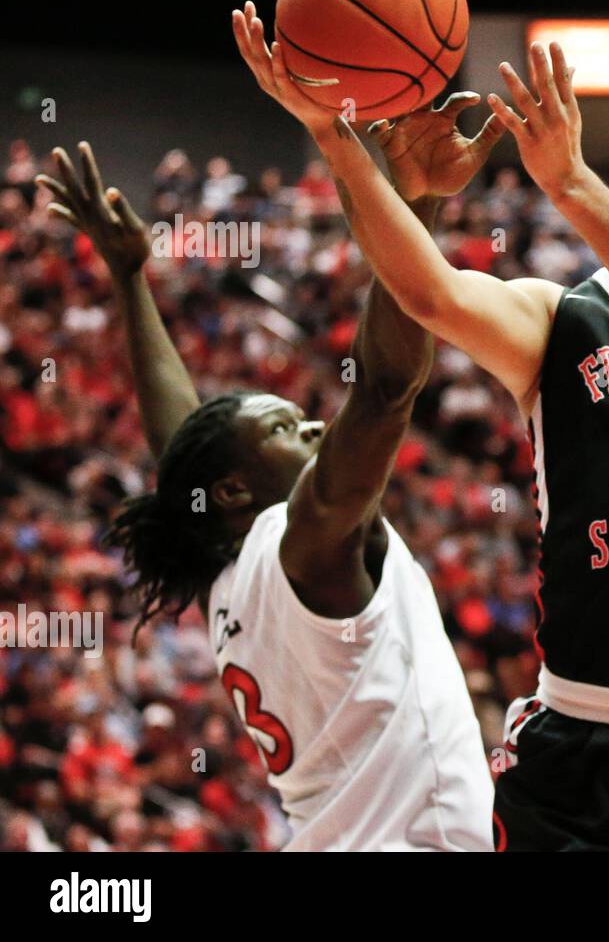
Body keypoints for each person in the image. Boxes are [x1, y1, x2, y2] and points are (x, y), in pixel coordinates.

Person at [232, 7, 609, 849]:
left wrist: (570, 183)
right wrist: (334, 137)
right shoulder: (558, 316)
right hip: (576, 735)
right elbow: (431, 295)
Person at [36, 122, 496, 850]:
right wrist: (417, 205)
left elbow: (179, 443)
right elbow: (382, 389)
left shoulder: (229, 572)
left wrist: (130, 277)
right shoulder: (303, 542)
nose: (314, 427)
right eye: (285, 427)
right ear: (233, 492)